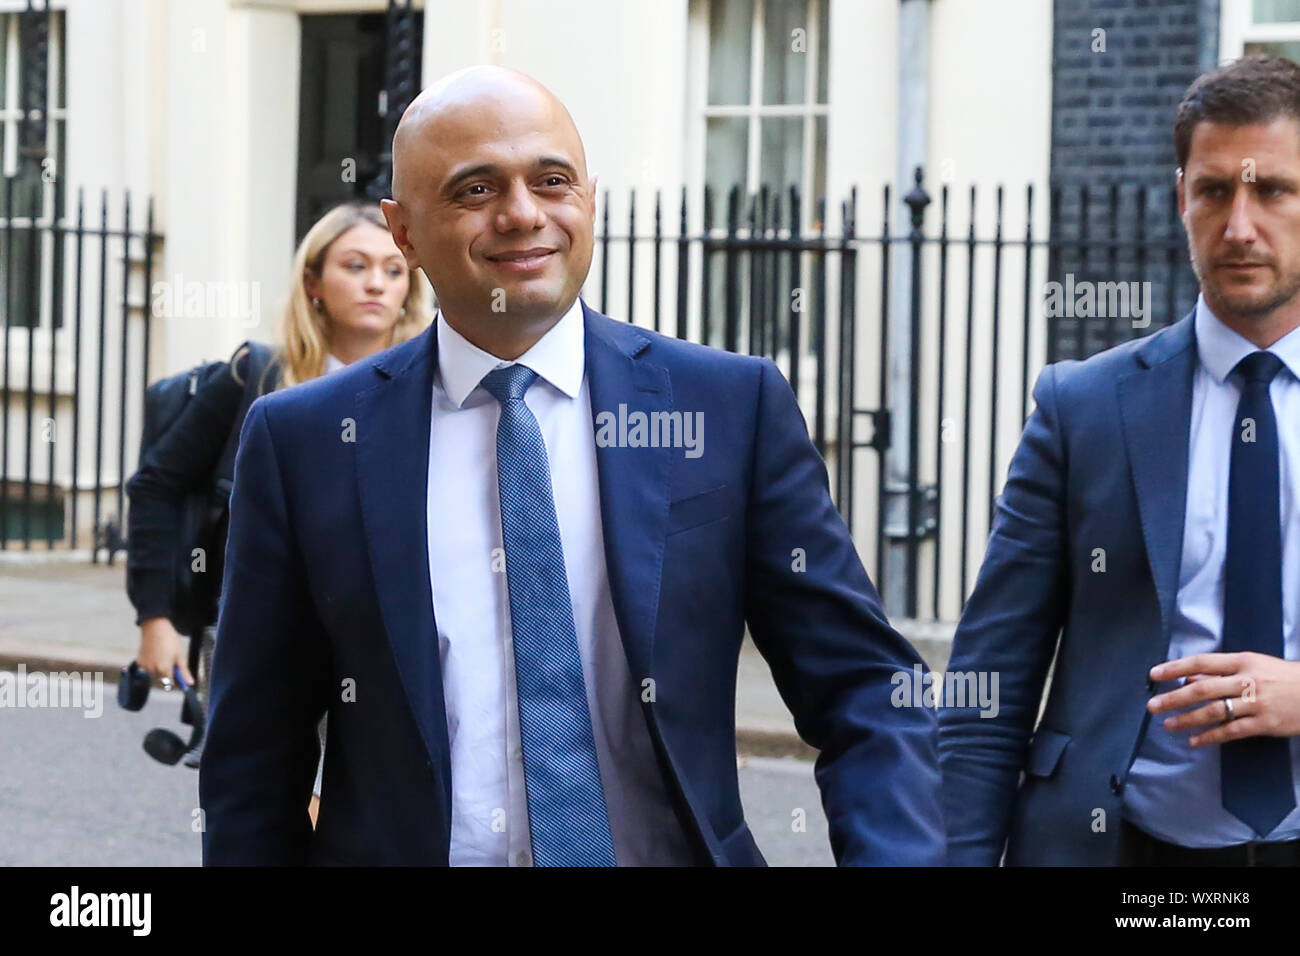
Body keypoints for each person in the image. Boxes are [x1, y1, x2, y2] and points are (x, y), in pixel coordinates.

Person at [199, 65, 943, 867]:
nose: (523, 214)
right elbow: (253, 761)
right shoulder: (304, 439)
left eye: (551, 180)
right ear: (403, 232)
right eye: (476, 189)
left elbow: (865, 689)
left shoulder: (730, 407)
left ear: (590, 198)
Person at [940, 54, 1300, 866]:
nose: (1239, 226)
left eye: (1273, 190)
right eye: (1214, 191)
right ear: (1181, 198)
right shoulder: (1085, 408)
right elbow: (988, 683)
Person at [125, 201, 433, 823]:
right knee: (271, 810)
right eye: (355, 266)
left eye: (394, 270)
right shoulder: (258, 375)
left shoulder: (432, 385)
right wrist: (155, 618)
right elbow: (156, 484)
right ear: (313, 281)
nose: (377, 283)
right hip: (263, 628)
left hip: (385, 636)